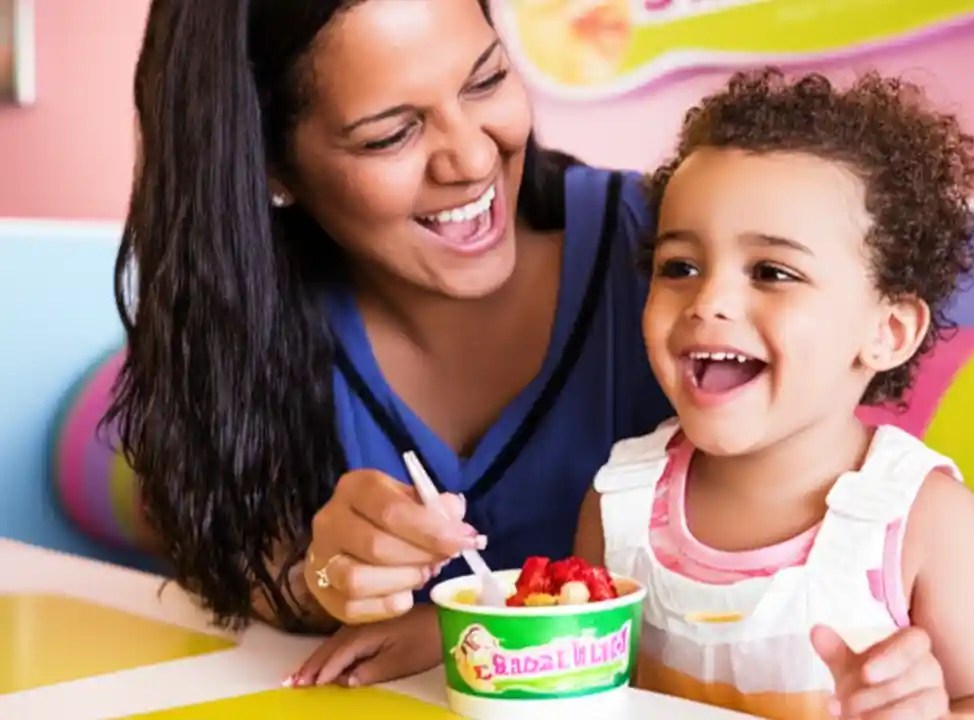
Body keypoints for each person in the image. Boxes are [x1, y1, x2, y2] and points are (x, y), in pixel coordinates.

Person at [294, 68, 974, 719]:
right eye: (680, 265)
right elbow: (577, 646)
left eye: (773, 273)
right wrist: (449, 630)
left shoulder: (924, 525)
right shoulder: (622, 497)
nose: (708, 301)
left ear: (887, 331)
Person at [109, 0, 669, 655]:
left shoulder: (674, 255)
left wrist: (485, 632)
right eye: (390, 135)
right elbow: (238, 561)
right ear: (271, 167)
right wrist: (320, 580)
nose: (469, 158)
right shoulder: (244, 329)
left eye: (485, 81)